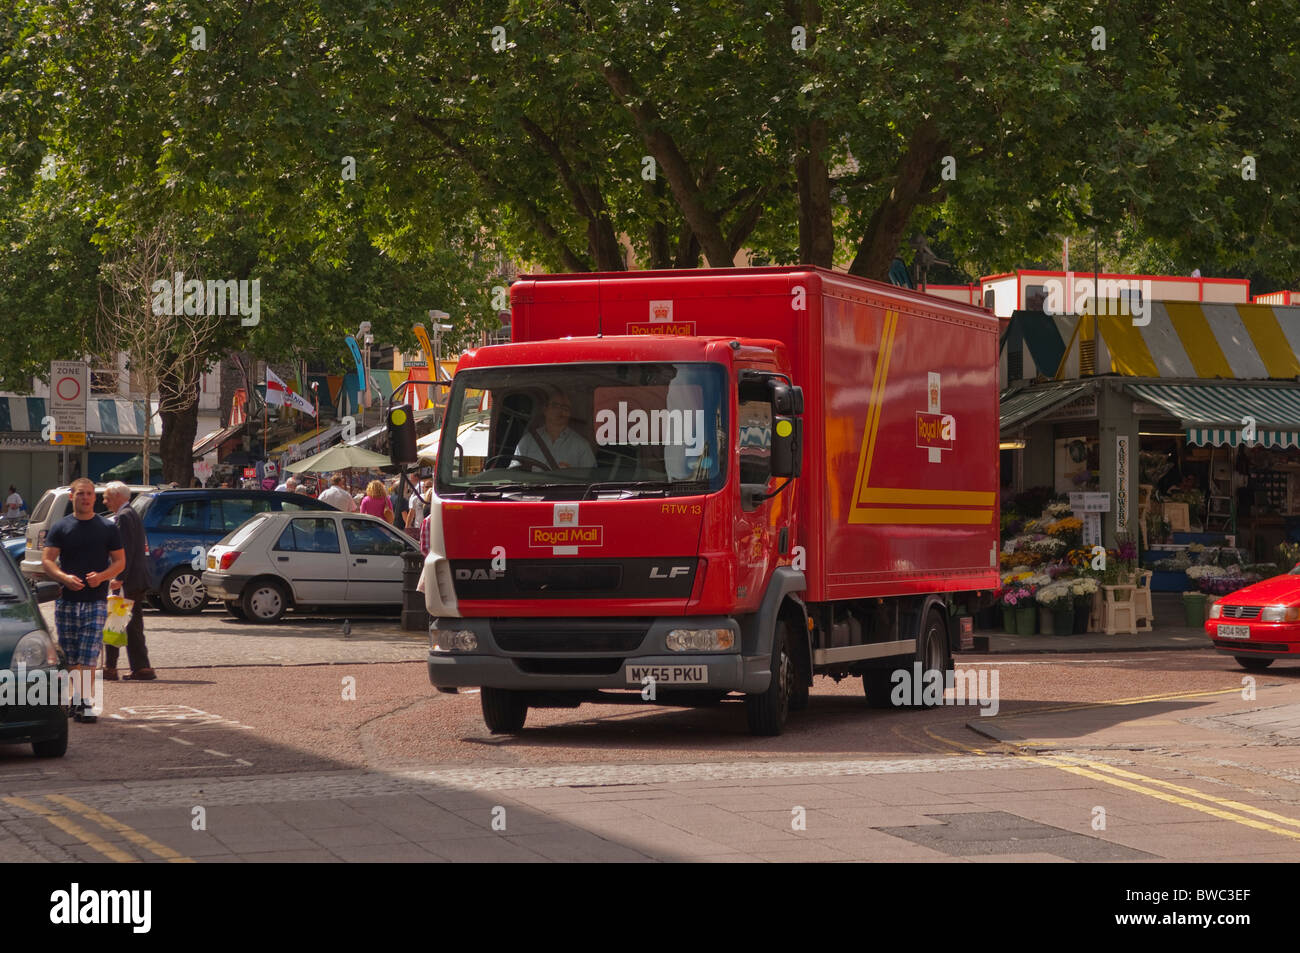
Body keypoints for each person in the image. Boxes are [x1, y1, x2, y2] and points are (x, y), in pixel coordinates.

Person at [41, 478, 125, 723]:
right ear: (72, 496)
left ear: (94, 498)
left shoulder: (107, 528)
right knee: (71, 655)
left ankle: (85, 702)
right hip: (67, 600)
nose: (85, 498)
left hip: (95, 601)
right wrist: (63, 577)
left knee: (89, 654)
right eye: (80, 494)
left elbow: (120, 561)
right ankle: (76, 699)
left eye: (89, 494)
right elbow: (47, 560)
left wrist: (102, 577)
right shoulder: (61, 527)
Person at [102, 482, 154, 682]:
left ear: (117, 496)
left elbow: (125, 552)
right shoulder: (130, 513)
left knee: (116, 622)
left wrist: (118, 578)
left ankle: (111, 667)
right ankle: (141, 668)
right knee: (132, 625)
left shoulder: (123, 516)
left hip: (127, 580)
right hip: (135, 579)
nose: (105, 502)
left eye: (107, 497)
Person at [514, 391, 595, 469]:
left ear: (569, 413)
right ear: (545, 409)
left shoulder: (581, 445)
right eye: (555, 405)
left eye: (565, 407)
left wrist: (572, 474)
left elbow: (590, 478)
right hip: (532, 483)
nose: (560, 410)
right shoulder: (528, 440)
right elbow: (514, 472)